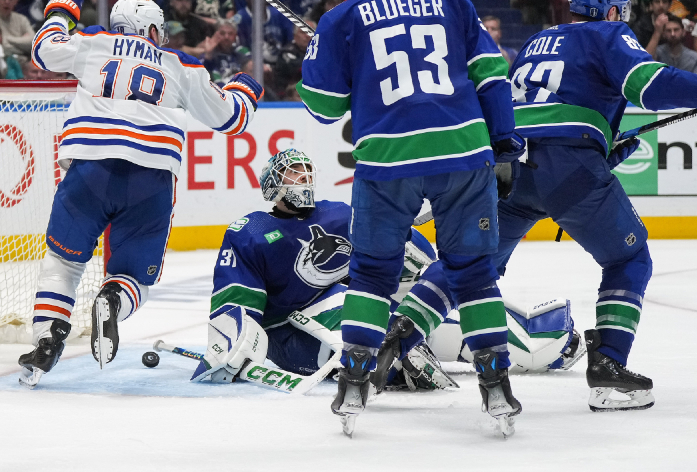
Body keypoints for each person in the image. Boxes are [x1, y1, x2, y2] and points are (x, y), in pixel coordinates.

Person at [299, 0, 524, 436]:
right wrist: (506, 144)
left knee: (374, 273)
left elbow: (323, 109)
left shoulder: (341, 18)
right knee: (473, 273)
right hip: (463, 151)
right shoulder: (452, 1)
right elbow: (492, 77)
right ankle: (496, 384)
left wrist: (326, 57)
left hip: (387, 161)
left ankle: (354, 378)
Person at [496, 0, 697, 412]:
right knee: (629, 257)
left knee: (472, 265)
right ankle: (609, 368)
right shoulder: (606, 34)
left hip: (513, 167)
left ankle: (398, 344)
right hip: (566, 169)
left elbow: (546, 107)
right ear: (610, 7)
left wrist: (600, 146)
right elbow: (649, 84)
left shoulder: (536, 41)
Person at [17, 0, 264, 387]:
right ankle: (113, 300)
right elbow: (230, 119)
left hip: (89, 168)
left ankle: (47, 340)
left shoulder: (95, 41)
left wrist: (62, 9)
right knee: (135, 278)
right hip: (150, 177)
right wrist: (246, 90)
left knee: (63, 263)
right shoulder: (180, 64)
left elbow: (44, 50)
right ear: (150, 28)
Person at [201, 149, 583, 388]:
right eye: (292, 175)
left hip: (353, 307)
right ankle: (395, 362)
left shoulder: (338, 213)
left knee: (438, 326)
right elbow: (236, 302)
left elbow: (403, 250)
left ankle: (545, 339)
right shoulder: (249, 232)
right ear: (271, 186)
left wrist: (426, 269)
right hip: (293, 333)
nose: (302, 181)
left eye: (305, 173)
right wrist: (229, 344)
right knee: (370, 337)